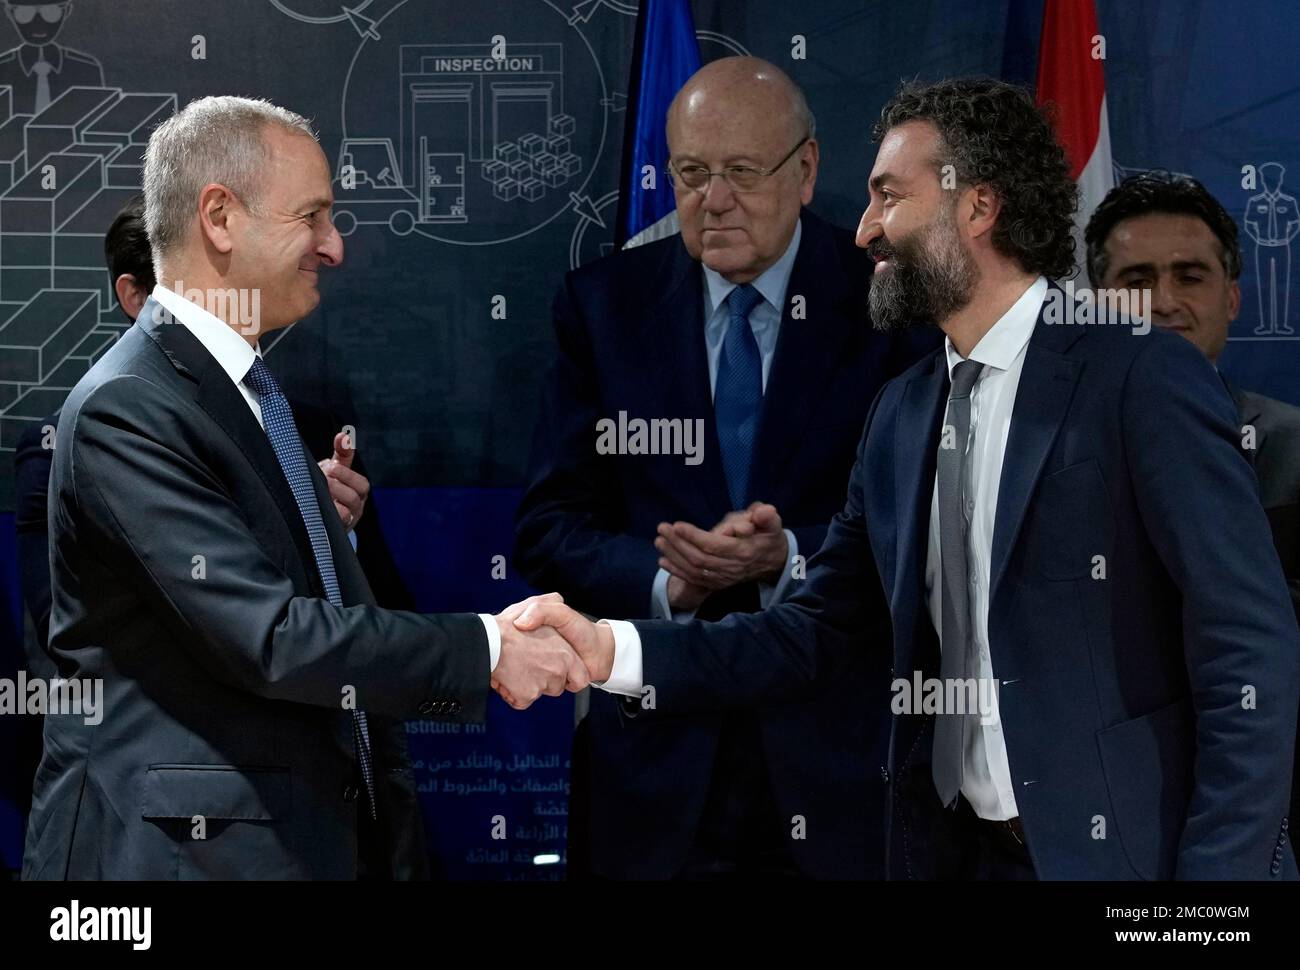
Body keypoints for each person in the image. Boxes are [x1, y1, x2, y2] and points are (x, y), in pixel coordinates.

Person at [516, 78, 1300, 881]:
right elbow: (811, 630)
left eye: (889, 197)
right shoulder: (902, 411)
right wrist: (611, 648)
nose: (862, 232)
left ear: (979, 208)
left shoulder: (1141, 376)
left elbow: (1247, 651)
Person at [22, 96, 583, 880]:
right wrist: (488, 647)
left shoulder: (251, 392)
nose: (335, 246)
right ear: (219, 216)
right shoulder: (131, 406)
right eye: (313, 216)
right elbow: (274, 638)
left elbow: (326, 609)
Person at [515, 56, 934, 880]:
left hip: (837, 765)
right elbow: (548, 528)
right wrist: (671, 582)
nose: (714, 201)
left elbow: (929, 531)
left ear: (807, 169)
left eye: (742, 172)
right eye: (692, 173)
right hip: (654, 774)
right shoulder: (602, 308)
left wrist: (793, 556)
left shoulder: (889, 305)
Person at [1086, 169, 1300, 863]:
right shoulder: (1043, 458)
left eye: (1190, 275)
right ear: (1092, 303)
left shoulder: (1296, 451)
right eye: (1136, 278)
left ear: (1234, 297)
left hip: (1258, 824)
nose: (1164, 302)